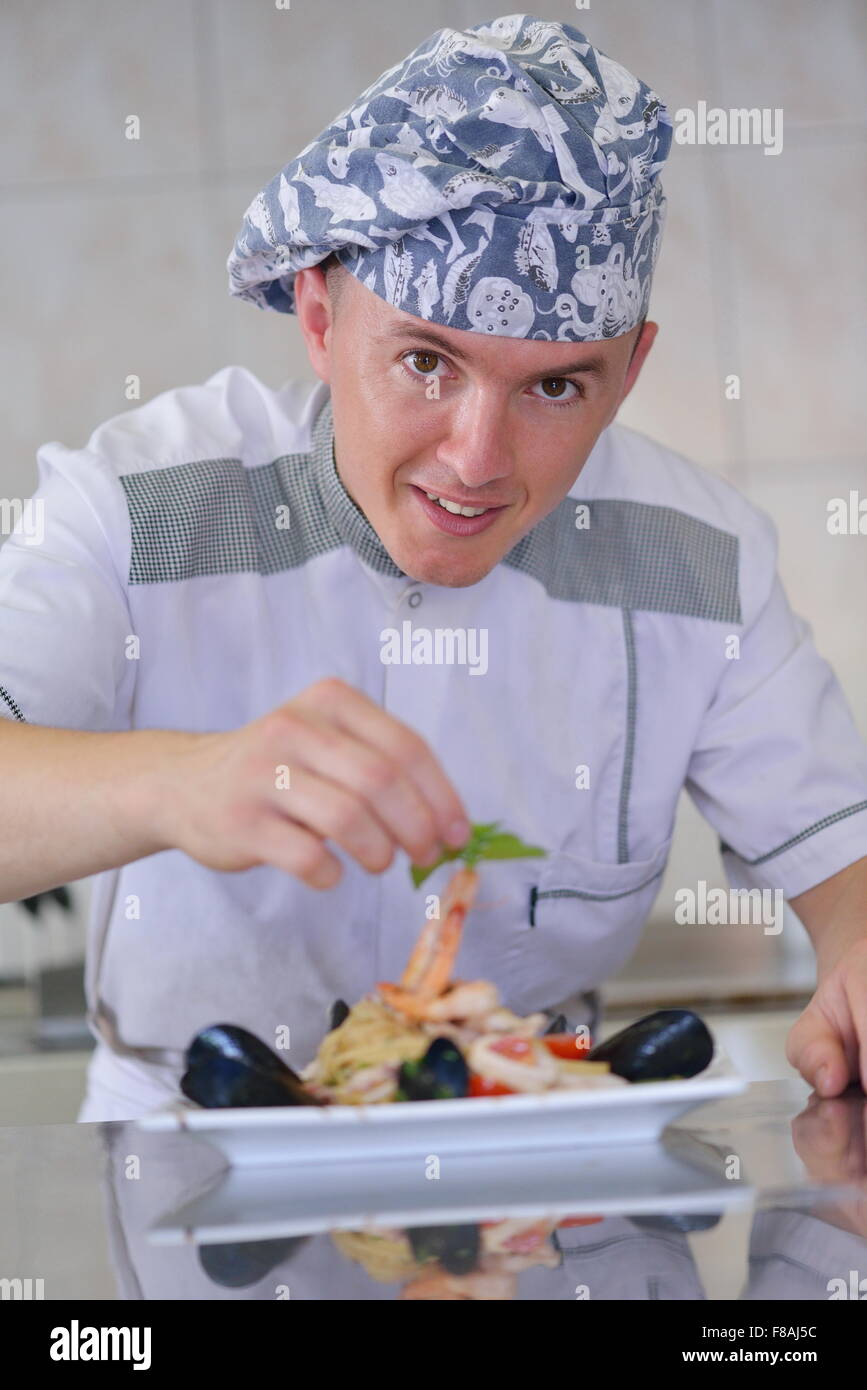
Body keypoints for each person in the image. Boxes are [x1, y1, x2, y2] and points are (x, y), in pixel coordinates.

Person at [1, 15, 865, 1122]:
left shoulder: (699, 560)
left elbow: (845, 857)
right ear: (318, 315)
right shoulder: (137, 507)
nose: (476, 460)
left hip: (540, 1182)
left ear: (631, 371)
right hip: (198, 1174)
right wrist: (173, 782)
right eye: (424, 362)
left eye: (556, 388)